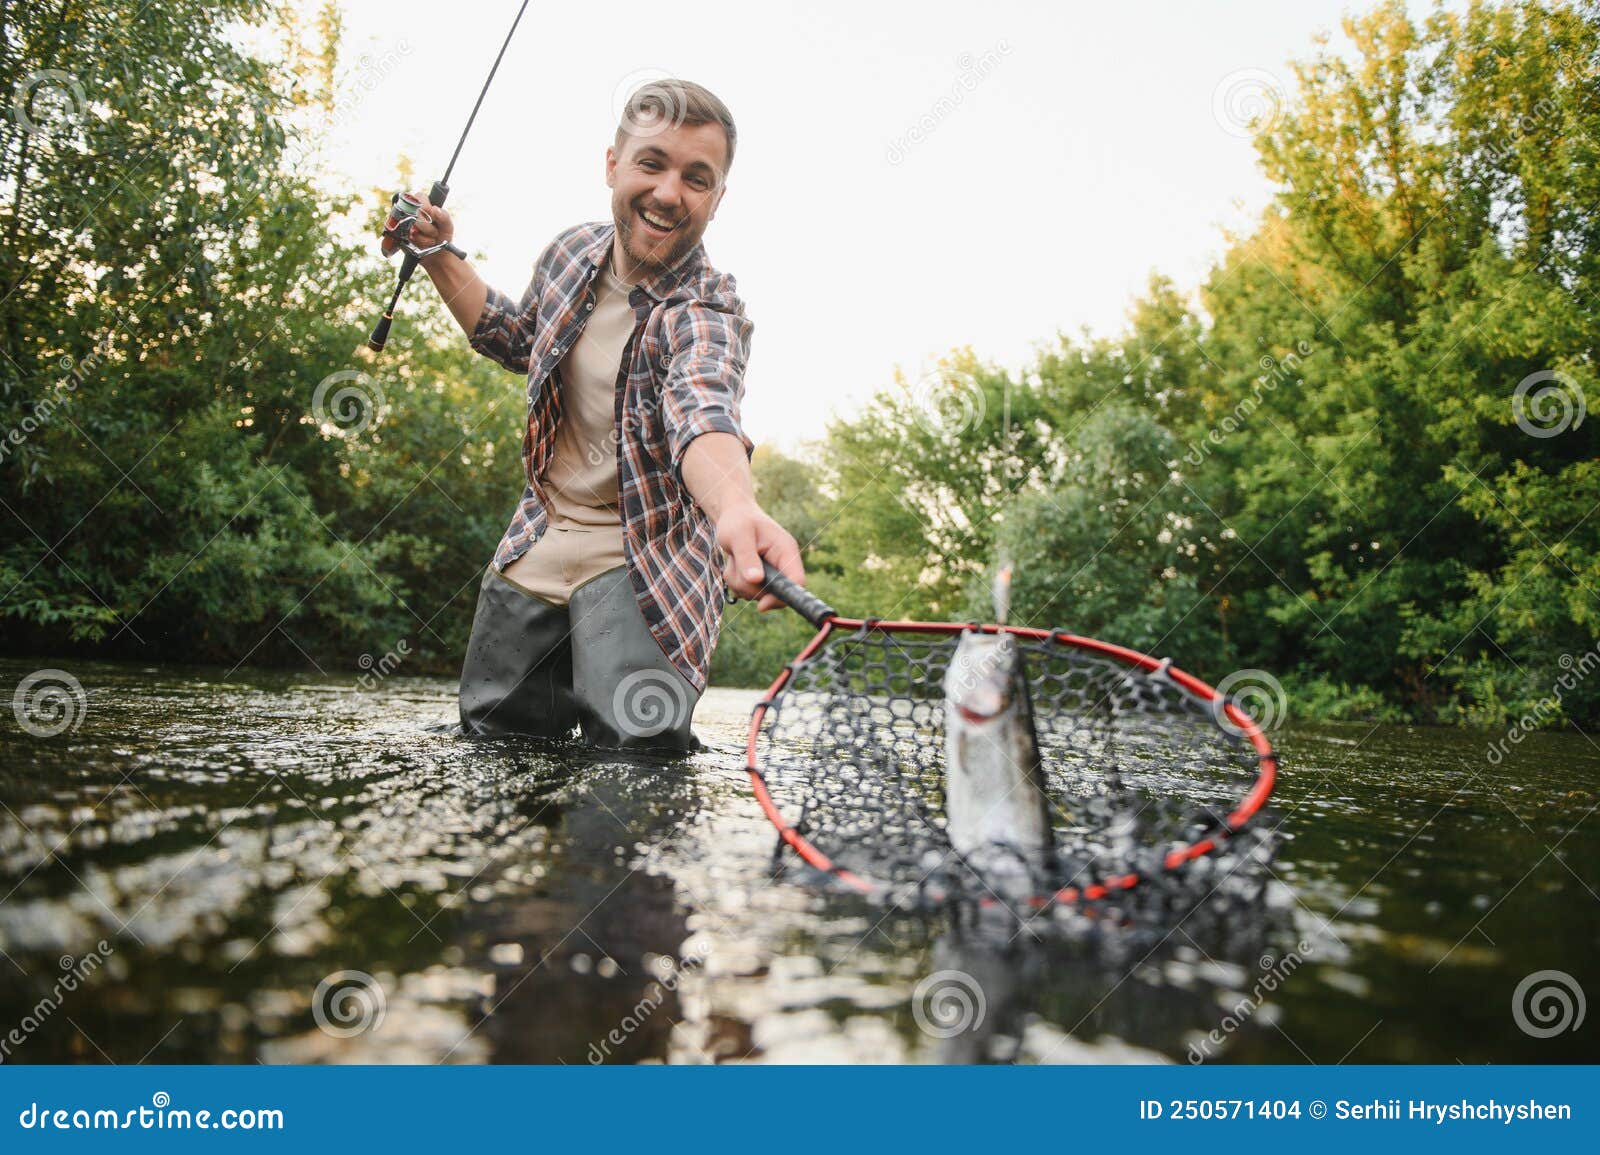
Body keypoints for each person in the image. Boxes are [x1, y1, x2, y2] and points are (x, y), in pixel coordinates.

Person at [399, 79, 803, 750]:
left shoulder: (709, 312)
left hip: (643, 564)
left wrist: (735, 507)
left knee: (635, 764)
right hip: (538, 539)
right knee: (495, 750)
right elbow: (517, 339)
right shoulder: (568, 254)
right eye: (652, 163)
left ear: (717, 198)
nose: (670, 193)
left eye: (696, 178)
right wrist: (438, 253)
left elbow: (701, 408)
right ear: (613, 164)